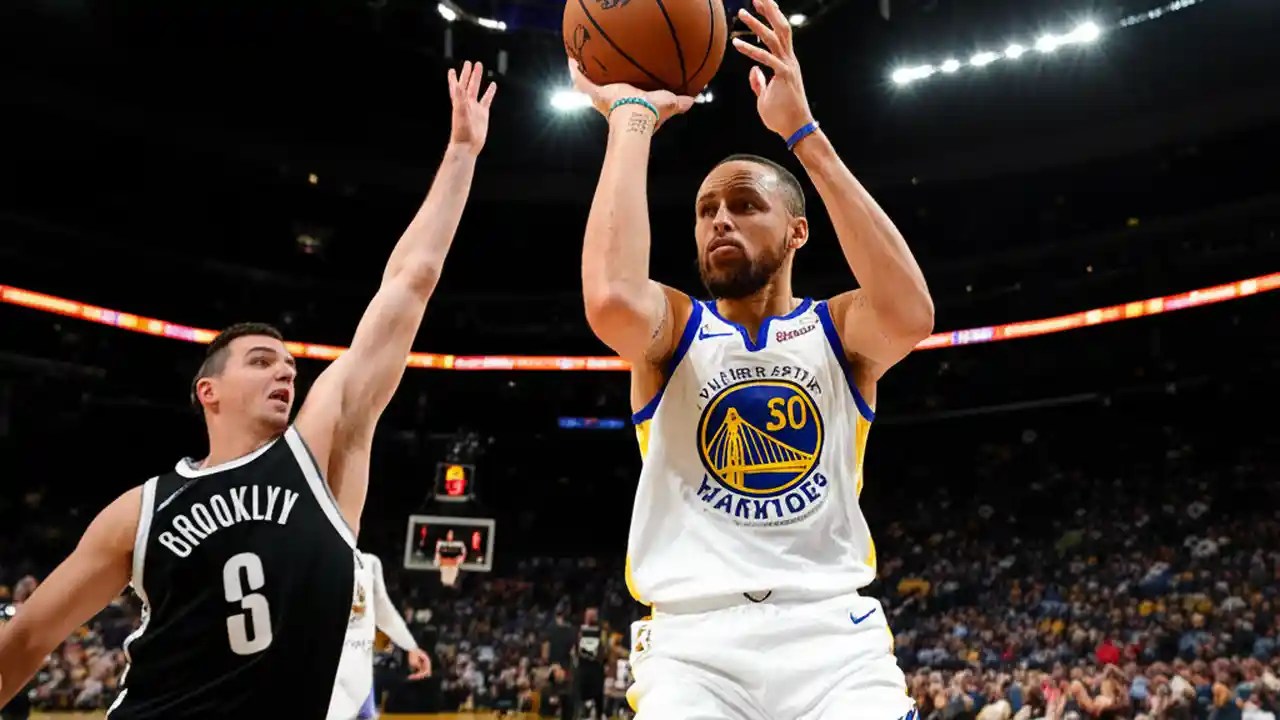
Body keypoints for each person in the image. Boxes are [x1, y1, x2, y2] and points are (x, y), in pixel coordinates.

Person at [0, 60, 497, 719]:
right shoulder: (141, 510)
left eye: (289, 364)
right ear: (208, 391)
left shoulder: (320, 454)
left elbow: (409, 282)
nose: (286, 371)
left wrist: (461, 153)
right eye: (262, 361)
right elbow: (32, 633)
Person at [570, 0, 933, 717]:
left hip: (832, 635)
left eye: (742, 205)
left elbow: (911, 313)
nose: (719, 220)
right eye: (706, 211)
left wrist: (804, 136)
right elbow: (610, 297)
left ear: (798, 232)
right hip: (693, 646)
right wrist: (632, 119)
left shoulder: (838, 330)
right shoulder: (674, 327)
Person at [334, 552, 432, 720]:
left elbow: (382, 610)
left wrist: (410, 646)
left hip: (359, 674)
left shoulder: (368, 562)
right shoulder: (301, 559)